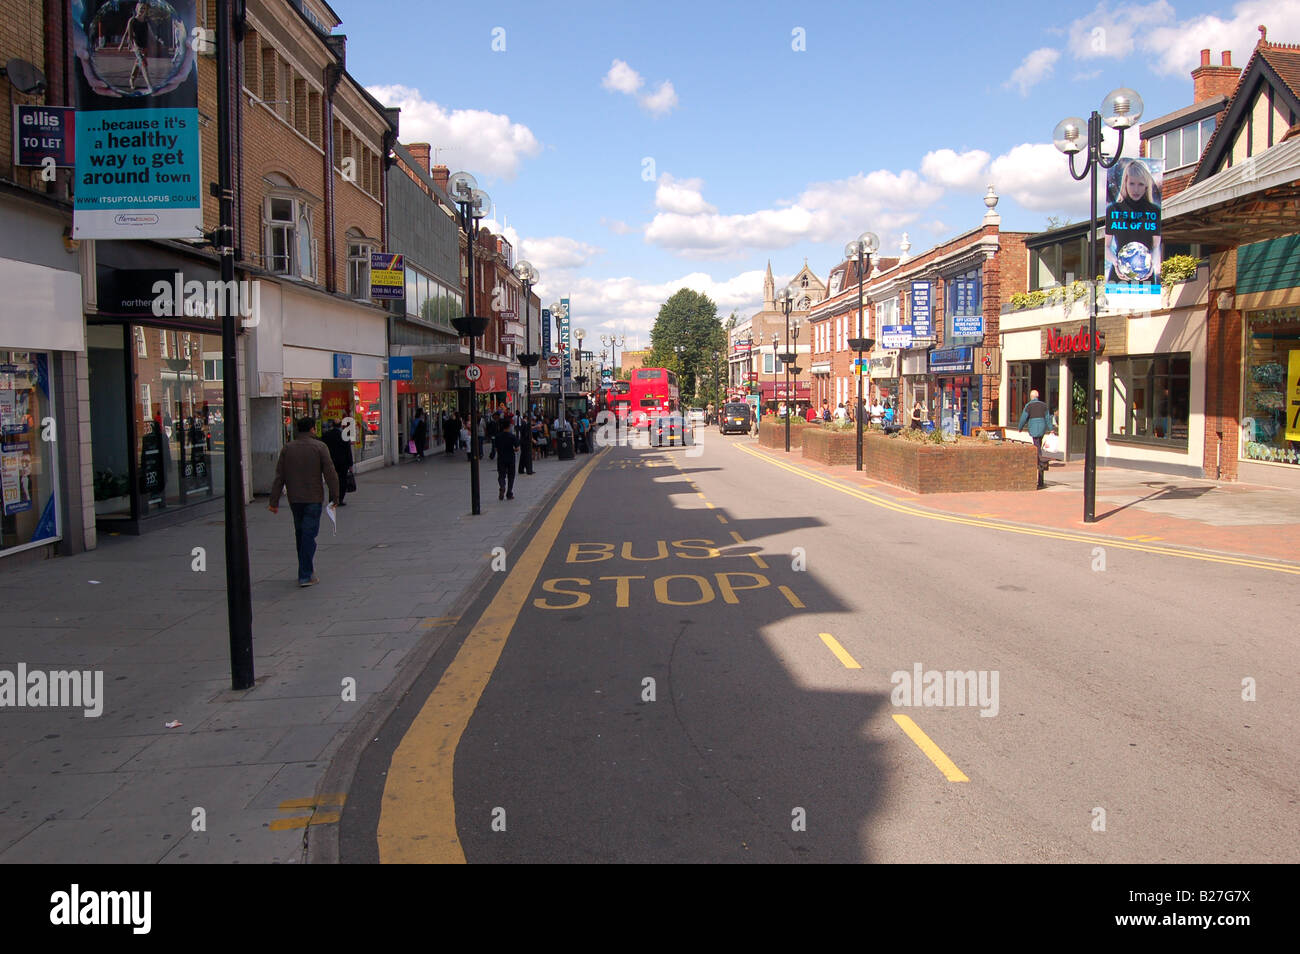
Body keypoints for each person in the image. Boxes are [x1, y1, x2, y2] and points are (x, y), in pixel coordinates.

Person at [268, 416, 340, 588]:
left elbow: (280, 476)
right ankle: (305, 574)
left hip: (295, 498)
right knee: (309, 534)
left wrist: (274, 501)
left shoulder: (288, 448)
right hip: (313, 497)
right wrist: (335, 497)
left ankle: (305, 570)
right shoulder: (319, 447)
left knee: (300, 533)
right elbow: (330, 474)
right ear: (312, 429)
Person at [1017, 389, 1056, 488]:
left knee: (1036, 445)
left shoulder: (1028, 406)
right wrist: (1051, 429)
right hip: (1042, 428)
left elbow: (1023, 417)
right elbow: (1047, 418)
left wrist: (1020, 428)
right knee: (1039, 442)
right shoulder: (1044, 405)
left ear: (1031, 397)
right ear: (1037, 396)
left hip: (1033, 428)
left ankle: (1039, 460)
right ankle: (1039, 458)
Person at [321, 419, 354, 506]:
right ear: (340, 425)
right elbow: (348, 451)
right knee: (342, 481)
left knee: (332, 480)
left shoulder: (326, 435)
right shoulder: (344, 435)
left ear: (332, 425)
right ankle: (340, 498)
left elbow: (322, 448)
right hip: (342, 462)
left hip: (330, 461)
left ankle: (332, 498)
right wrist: (350, 464)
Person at [493, 413, 520, 499]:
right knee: (511, 476)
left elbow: (496, 449)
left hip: (501, 458)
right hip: (510, 458)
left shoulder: (498, 437)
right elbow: (517, 448)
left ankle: (502, 486)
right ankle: (509, 493)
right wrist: (513, 449)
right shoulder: (512, 436)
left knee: (501, 475)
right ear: (509, 426)